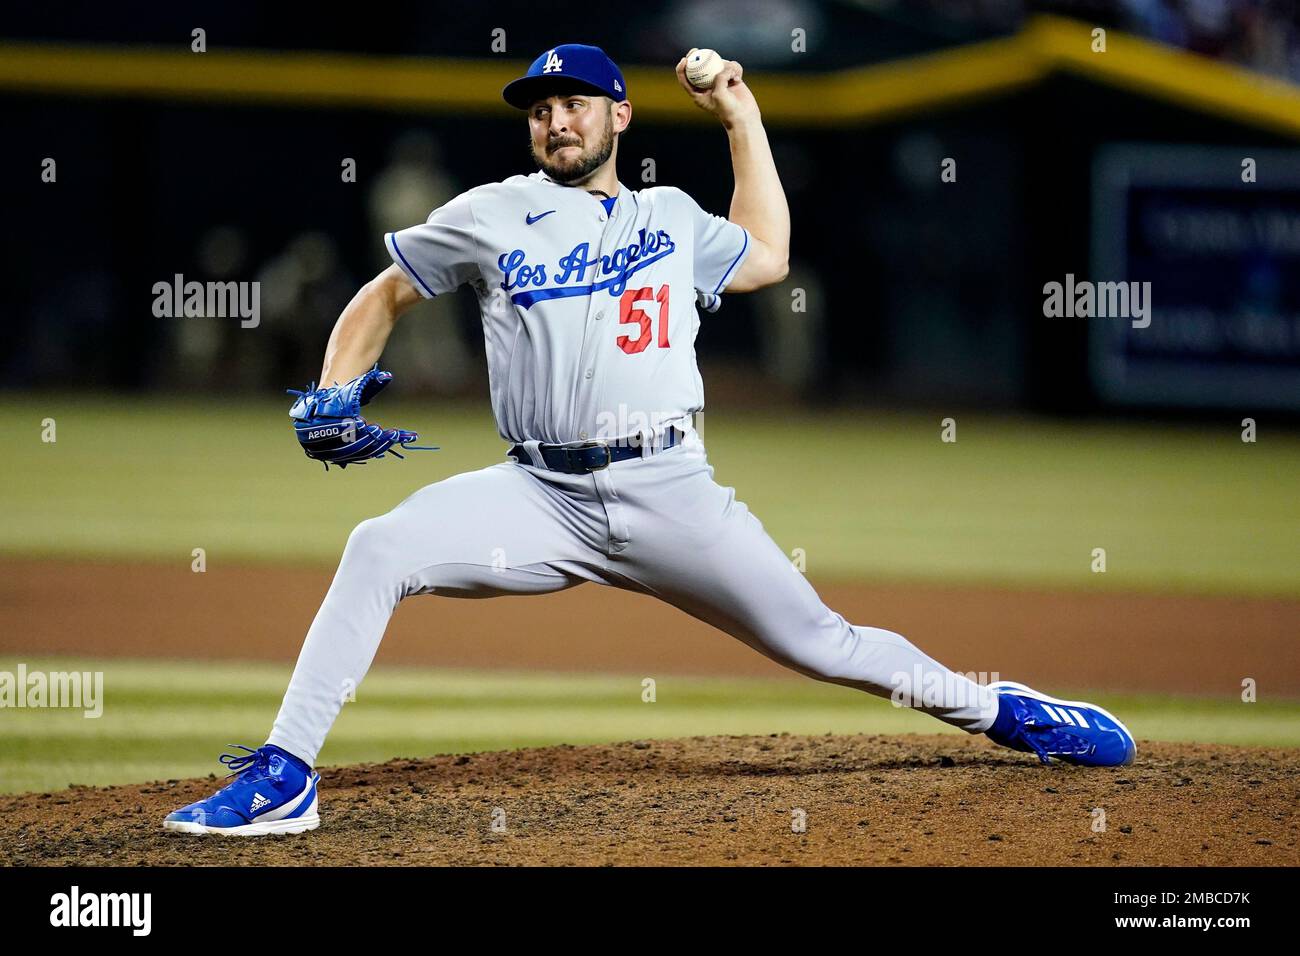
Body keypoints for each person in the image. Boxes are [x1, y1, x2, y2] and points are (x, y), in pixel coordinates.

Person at [164, 44, 1134, 837]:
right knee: (378, 544)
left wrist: (738, 113)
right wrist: (333, 387)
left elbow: (769, 254)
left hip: (670, 487)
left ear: (618, 116)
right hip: (536, 494)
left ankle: (1005, 711)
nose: (555, 120)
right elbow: (384, 293)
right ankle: (285, 776)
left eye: (575, 102)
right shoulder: (489, 213)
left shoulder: (669, 217)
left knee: (824, 642)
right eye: (539, 108)